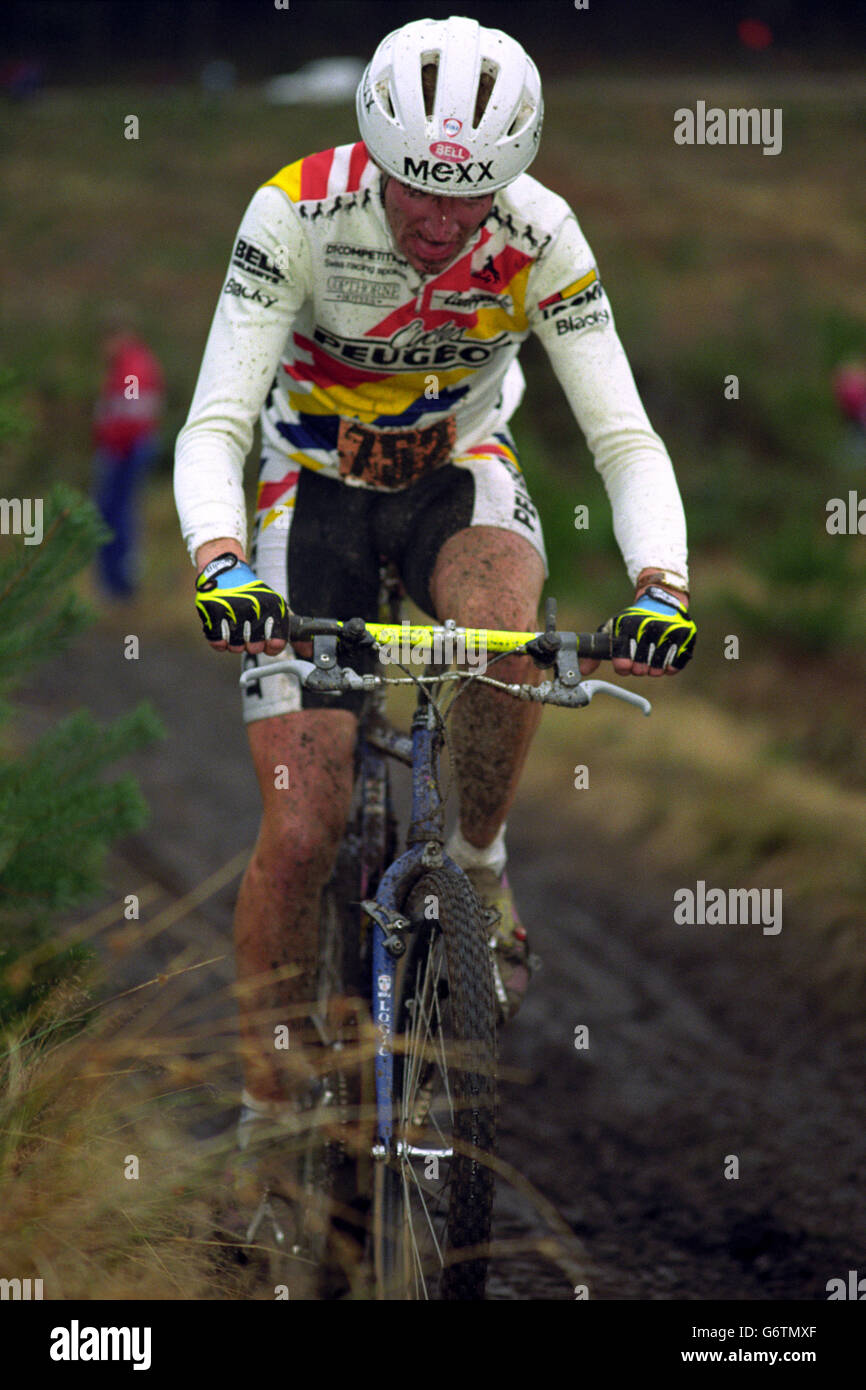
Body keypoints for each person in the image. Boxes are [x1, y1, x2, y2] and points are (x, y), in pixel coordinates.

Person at [175, 17, 696, 1149]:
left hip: (452, 479)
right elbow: (214, 420)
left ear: (509, 176)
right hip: (303, 490)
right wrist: (220, 565)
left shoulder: (540, 234)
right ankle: (268, 1123)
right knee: (304, 825)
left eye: (468, 196)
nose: (434, 221)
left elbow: (624, 438)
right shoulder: (293, 210)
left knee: (508, 634)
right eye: (414, 187)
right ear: (372, 147)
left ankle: (474, 860)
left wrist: (663, 581)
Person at [93, 308, 164, 597]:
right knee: (117, 514)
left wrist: (113, 442)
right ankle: (115, 583)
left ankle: (121, 585)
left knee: (120, 515)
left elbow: (132, 416)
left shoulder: (133, 367)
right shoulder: (126, 364)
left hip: (126, 451)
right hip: (125, 449)